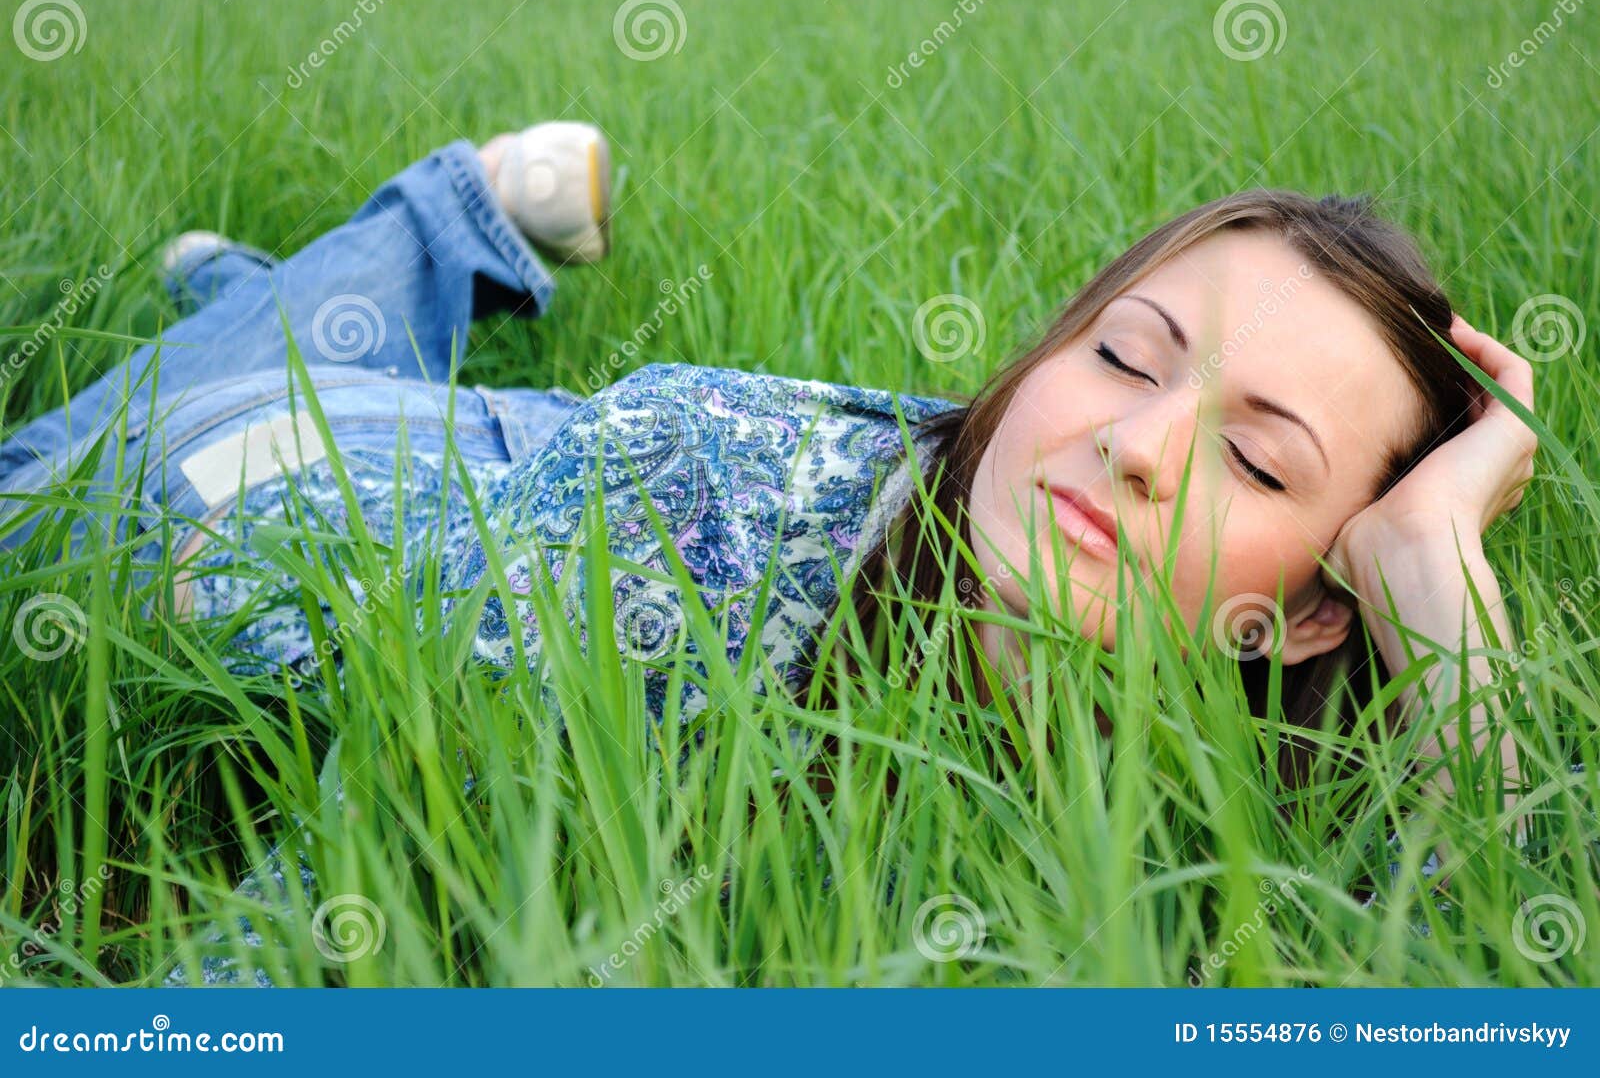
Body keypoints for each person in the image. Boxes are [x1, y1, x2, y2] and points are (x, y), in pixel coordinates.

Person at [0, 122, 1544, 986]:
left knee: (320, 355)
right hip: (228, 504)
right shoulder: (703, 473)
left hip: (541, 473)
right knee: (37, 489)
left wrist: (1441, 578)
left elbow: (1510, 982)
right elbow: (309, 932)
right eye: (1125, 358)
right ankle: (454, 208)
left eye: (1260, 459)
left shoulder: (1238, 783)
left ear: (1321, 607)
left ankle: (272, 287)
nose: (1136, 444)